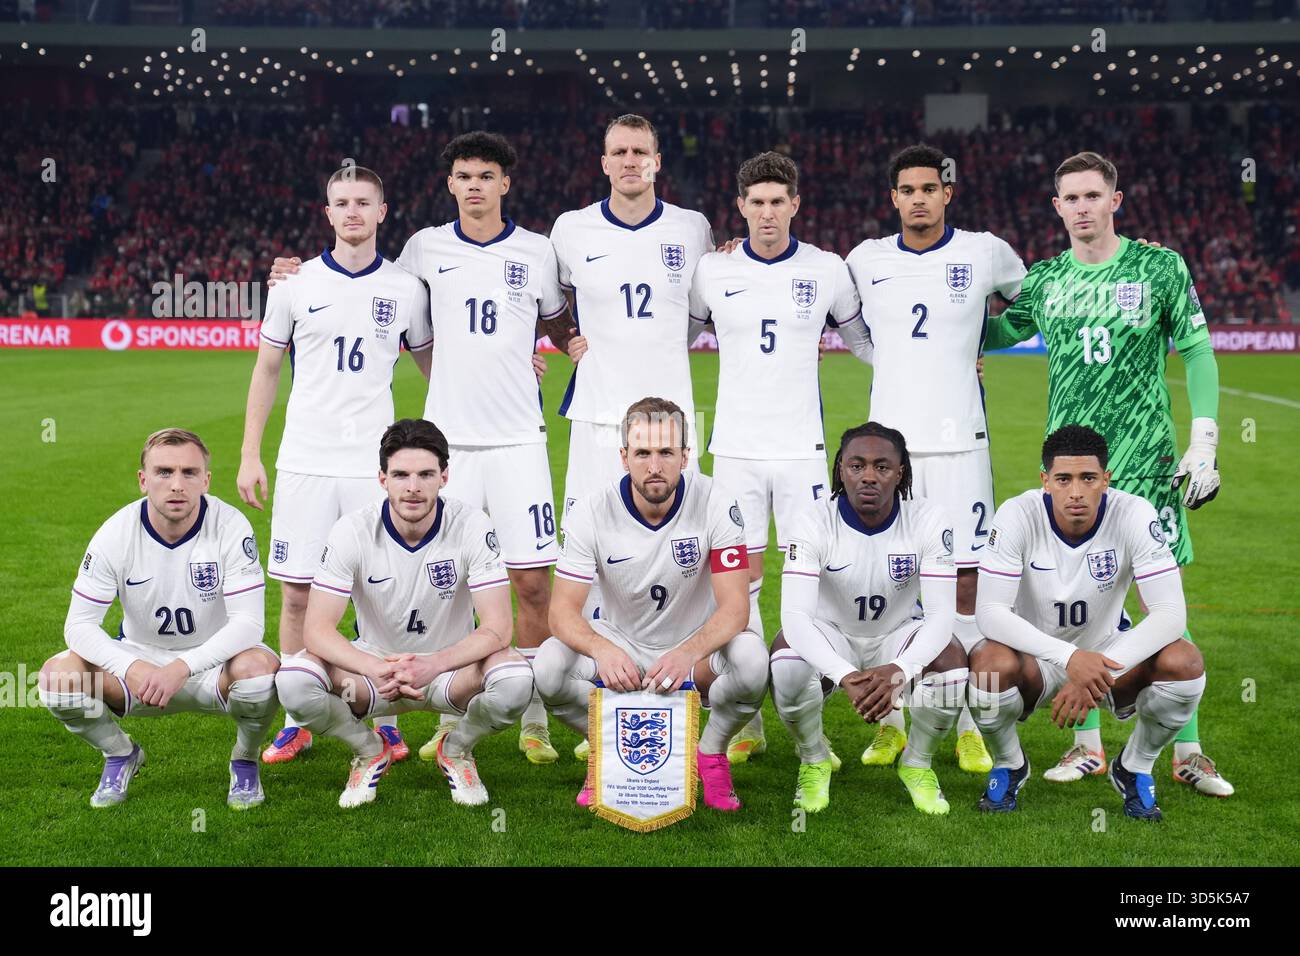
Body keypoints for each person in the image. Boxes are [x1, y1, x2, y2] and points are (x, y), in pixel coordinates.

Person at [983, 151, 1231, 797]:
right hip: (1070, 467)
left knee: (1162, 600)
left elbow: (1198, 349)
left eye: (1094, 195)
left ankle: (1189, 751)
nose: (1084, 206)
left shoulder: (1157, 266)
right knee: (1071, 595)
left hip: (1145, 461)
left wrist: (1203, 442)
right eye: (1072, 197)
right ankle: (1088, 746)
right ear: (1057, 206)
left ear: (1115, 200)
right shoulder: (1045, 280)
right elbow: (993, 330)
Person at [239, 165, 433, 765]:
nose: (352, 211)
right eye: (341, 202)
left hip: (372, 468)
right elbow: (268, 369)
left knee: (380, 595)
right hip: (305, 461)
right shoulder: (294, 285)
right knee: (297, 596)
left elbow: (434, 368)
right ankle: (299, 715)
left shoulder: (406, 288)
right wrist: (252, 453)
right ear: (328, 213)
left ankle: (380, 707)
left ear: (382, 211)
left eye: (363, 202)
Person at [845, 143, 1028, 775]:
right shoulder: (864, 261)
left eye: (930, 188)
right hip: (889, 453)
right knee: (891, 581)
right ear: (892, 198)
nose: (918, 198)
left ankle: (971, 725)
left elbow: (1029, 300)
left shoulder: (983, 251)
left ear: (947, 193)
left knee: (968, 580)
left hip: (959, 448)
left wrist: (988, 340)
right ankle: (892, 724)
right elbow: (847, 325)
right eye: (907, 190)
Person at [687, 150, 870, 765]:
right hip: (735, 451)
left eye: (778, 202)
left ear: (796, 204)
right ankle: (744, 716)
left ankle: (802, 719)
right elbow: (673, 339)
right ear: (740, 207)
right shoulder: (712, 271)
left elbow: (863, 342)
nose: (767, 213)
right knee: (736, 582)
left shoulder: (827, 269)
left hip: (802, 453)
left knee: (811, 584)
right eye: (756, 203)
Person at [274, 419, 533, 809]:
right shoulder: (352, 530)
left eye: (426, 474)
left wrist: (433, 664)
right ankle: (368, 749)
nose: (413, 487)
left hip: (450, 673)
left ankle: (458, 748)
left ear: (444, 476)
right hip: (373, 675)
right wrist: (372, 667)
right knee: (294, 681)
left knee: (515, 680)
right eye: (401, 475)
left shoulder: (473, 526)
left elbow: (498, 629)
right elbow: (316, 631)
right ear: (382, 478)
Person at [534, 397, 768, 811]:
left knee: (753, 660)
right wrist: (602, 649)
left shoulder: (716, 501)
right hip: (619, 641)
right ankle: (606, 748)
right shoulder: (590, 511)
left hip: (694, 645)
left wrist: (687, 653)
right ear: (624, 457)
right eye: (642, 453)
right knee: (548, 667)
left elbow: (735, 608)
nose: (654, 466)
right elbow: (561, 613)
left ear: (685, 456)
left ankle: (710, 752)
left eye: (666, 453)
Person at [970, 425, 1205, 821]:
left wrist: (1094, 669)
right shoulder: (1017, 514)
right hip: (1037, 660)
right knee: (988, 667)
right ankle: (1010, 764)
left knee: (1184, 663)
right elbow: (990, 613)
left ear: (1106, 480)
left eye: (1088, 479)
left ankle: (1136, 767)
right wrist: (1071, 658)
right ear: (1045, 480)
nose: (1075, 491)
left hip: (1111, 657)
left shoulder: (1134, 513)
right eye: (1063, 479)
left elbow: (1170, 613)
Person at [40, 429, 277, 810]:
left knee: (260, 673)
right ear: (143, 479)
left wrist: (183, 667)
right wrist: (130, 666)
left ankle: (245, 758)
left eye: (189, 472)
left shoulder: (231, 527)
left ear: (206, 480)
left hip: (215, 666)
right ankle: (120, 754)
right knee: (58, 678)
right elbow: (79, 625)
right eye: (164, 472)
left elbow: (249, 624)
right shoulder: (115, 533)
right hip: (140, 668)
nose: (177, 485)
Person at [773, 422, 964, 814]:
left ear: (901, 473)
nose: (869, 476)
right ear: (840, 469)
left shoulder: (929, 519)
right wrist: (844, 675)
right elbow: (794, 617)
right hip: (831, 634)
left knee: (952, 669)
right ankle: (814, 758)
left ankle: (918, 763)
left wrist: (901, 668)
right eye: (857, 466)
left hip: (896, 634)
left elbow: (943, 615)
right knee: (787, 664)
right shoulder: (811, 520)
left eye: (882, 466)